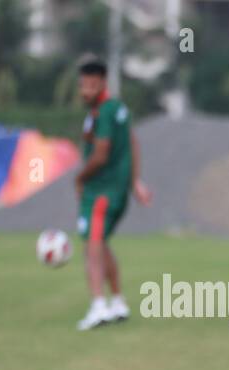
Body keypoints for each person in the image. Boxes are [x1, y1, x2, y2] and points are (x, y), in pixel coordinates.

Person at [73, 56, 152, 331]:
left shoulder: (106, 111)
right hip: (115, 190)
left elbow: (101, 154)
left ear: (103, 83)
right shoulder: (116, 109)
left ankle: (98, 306)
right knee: (101, 243)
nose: (86, 91)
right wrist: (136, 182)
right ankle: (118, 302)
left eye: (91, 86)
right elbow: (132, 142)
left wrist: (80, 179)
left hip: (102, 191)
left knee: (92, 247)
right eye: (83, 86)